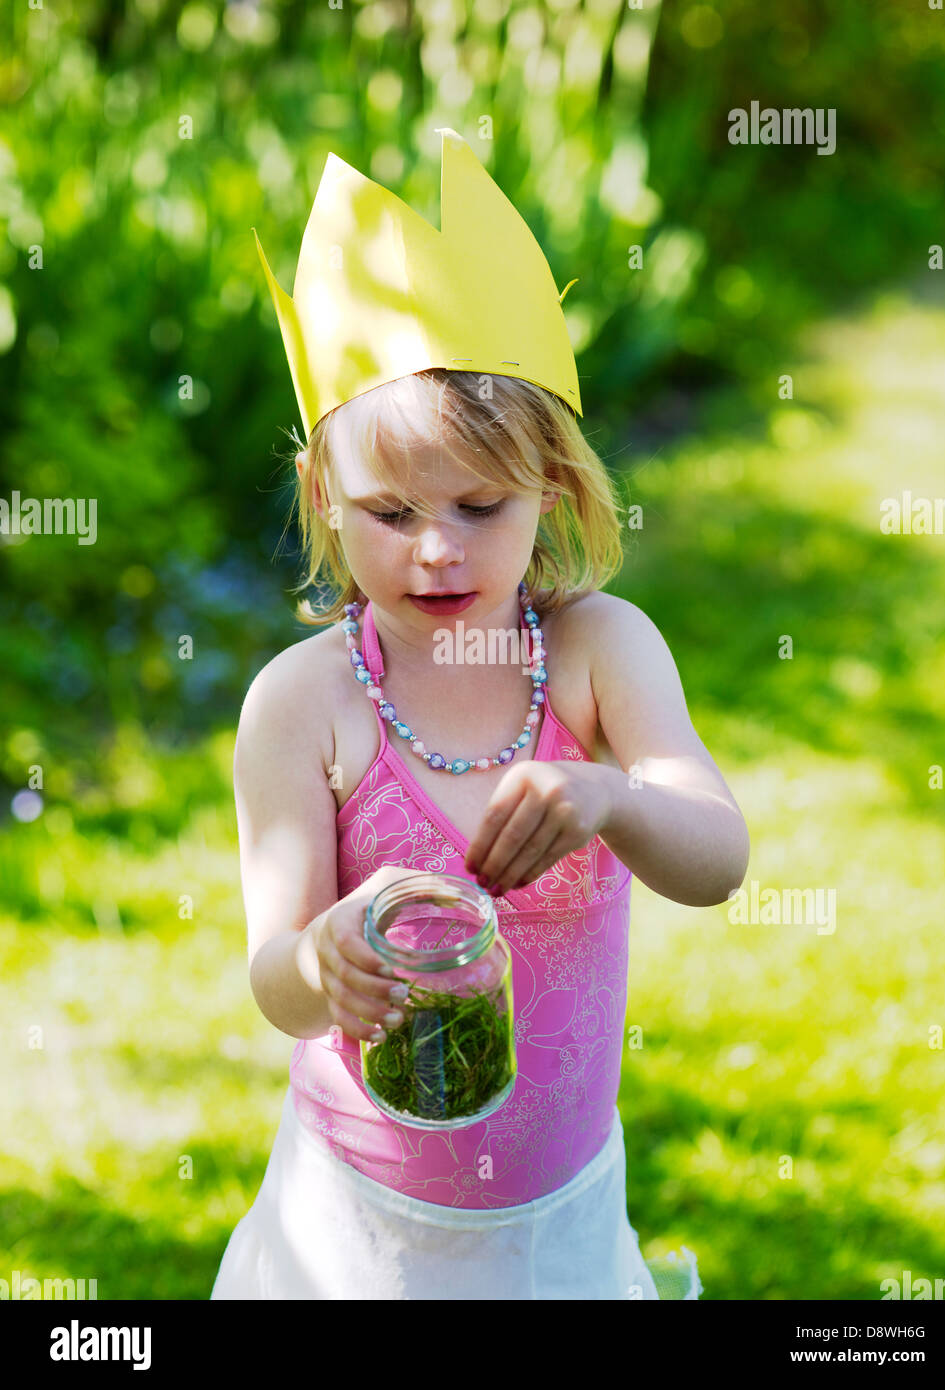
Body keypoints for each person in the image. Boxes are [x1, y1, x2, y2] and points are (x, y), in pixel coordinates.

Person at [211, 130, 747, 1300]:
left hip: (558, 1225)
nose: (437, 548)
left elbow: (717, 859)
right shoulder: (302, 704)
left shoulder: (601, 654)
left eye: (480, 504)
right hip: (359, 1234)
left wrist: (610, 796)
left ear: (550, 487)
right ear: (322, 494)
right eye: (390, 511)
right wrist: (320, 960)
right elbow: (275, 977)